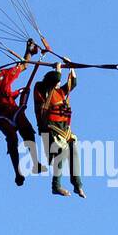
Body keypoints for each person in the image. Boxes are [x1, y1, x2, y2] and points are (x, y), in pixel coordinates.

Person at [0, 40, 45, 186]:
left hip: (12, 109)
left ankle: (35, 162)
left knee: (26, 129)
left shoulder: (6, 74)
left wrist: (28, 51)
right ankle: (18, 173)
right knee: (12, 138)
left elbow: (24, 65)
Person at [34, 64, 85, 198]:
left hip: (65, 129)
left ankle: (77, 185)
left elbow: (73, 83)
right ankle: (55, 186)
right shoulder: (42, 90)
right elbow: (55, 77)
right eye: (56, 82)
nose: (58, 83)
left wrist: (71, 67)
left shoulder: (61, 92)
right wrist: (58, 69)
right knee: (62, 152)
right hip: (51, 128)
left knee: (73, 150)